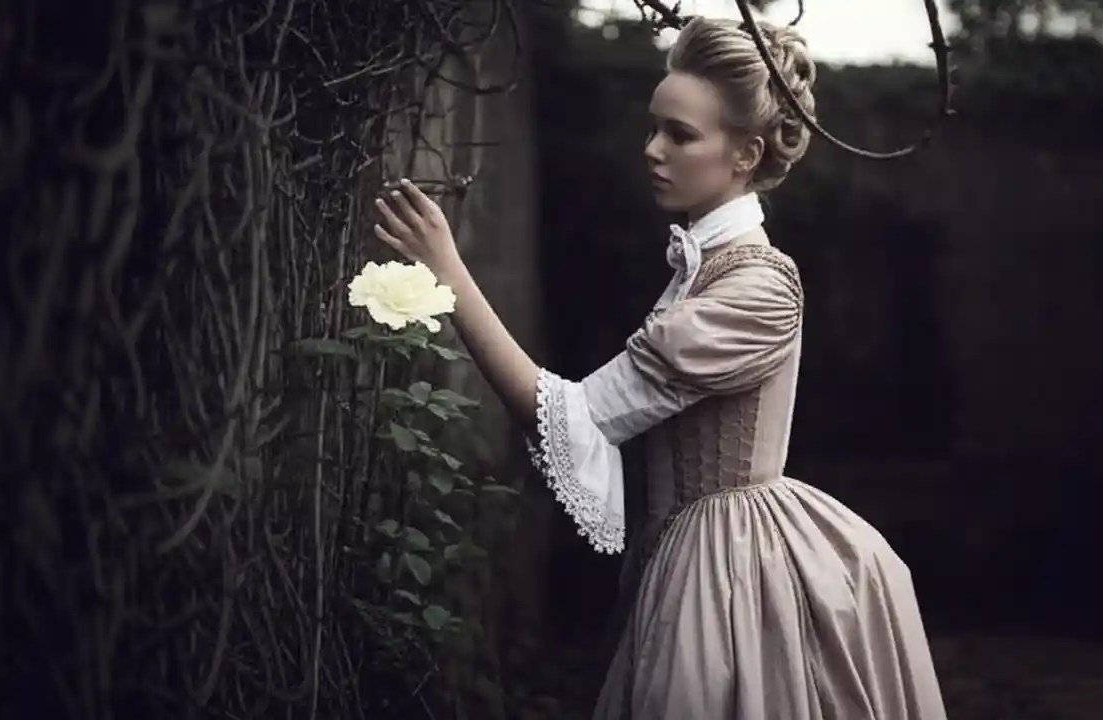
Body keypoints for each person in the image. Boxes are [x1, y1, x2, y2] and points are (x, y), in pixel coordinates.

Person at [372, 15, 947, 720]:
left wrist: (448, 275)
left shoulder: (756, 289)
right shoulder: (707, 268)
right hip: (683, 554)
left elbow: (577, 417)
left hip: (731, 569)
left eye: (680, 135)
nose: (652, 150)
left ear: (746, 154)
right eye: (653, 127)